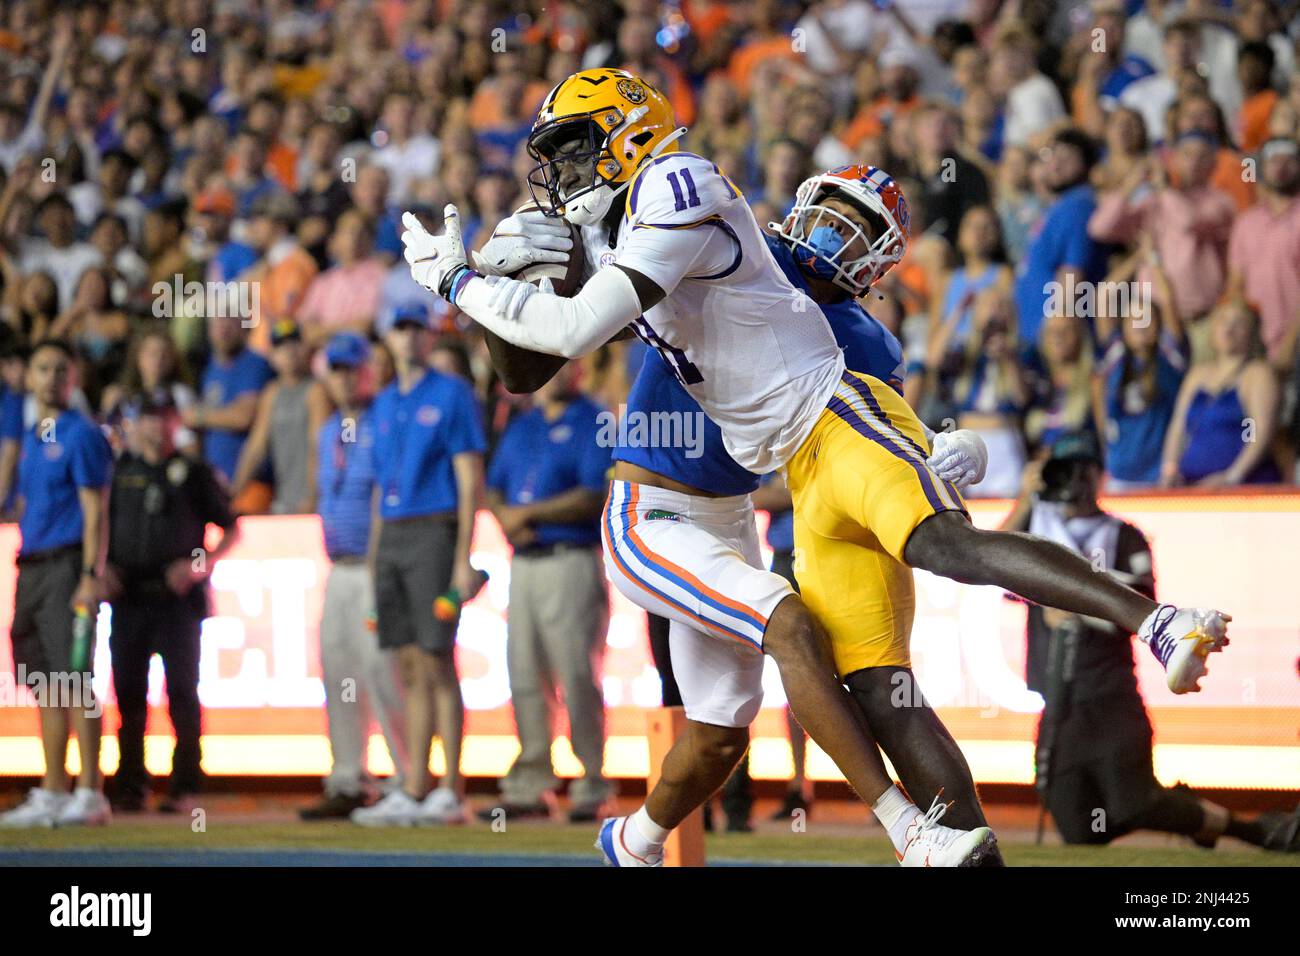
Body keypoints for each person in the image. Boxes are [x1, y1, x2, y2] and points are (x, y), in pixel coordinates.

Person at [404, 69, 1229, 867]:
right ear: (798, 207)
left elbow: (873, 416)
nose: (838, 237)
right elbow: (533, 362)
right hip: (666, 504)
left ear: (885, 263)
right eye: (833, 212)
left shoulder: (821, 302)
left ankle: (639, 840)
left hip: (781, 483)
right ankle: (914, 828)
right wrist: (509, 278)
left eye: (862, 230)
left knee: (793, 709)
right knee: (808, 622)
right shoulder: (671, 232)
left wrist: (464, 279)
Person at [1001, 432, 1297, 853]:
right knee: (1079, 827)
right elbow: (998, 572)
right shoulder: (1037, 531)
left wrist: (1073, 599)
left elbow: (1141, 606)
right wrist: (1025, 500)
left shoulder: (1123, 536)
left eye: (1079, 470)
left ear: (1097, 475)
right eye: (1061, 471)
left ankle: (1247, 829)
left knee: (1133, 803)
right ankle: (1188, 810)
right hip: (1059, 702)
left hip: (1110, 694)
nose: (1071, 482)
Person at [350, 303, 485, 827]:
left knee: (435, 659)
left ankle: (449, 786)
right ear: (388, 338)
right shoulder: (382, 404)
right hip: (394, 535)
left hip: (434, 528)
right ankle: (416, 782)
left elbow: (469, 478)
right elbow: (382, 485)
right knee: (407, 662)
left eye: (416, 329)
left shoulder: (451, 394)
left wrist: (462, 559)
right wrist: (373, 559)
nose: (408, 338)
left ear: (429, 339)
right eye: (399, 328)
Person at [483, 361, 613, 823]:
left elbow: (592, 493)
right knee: (524, 672)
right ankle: (532, 781)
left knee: (577, 672)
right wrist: (507, 518)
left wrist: (526, 514)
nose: (556, 374)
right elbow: (493, 487)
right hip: (526, 562)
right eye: (548, 364)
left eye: (564, 364)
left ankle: (591, 781)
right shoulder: (523, 424)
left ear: (579, 370)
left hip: (570, 557)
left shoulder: (595, 420)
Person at [103, 393, 239, 813]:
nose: (157, 426)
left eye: (164, 418)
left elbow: (231, 527)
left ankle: (185, 784)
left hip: (177, 599)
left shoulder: (193, 472)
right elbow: (98, 523)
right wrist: (101, 568)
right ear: (135, 422)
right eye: (148, 417)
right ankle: (130, 782)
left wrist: (198, 566)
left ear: (175, 422)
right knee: (128, 693)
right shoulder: (118, 470)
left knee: (182, 691)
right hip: (128, 595)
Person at [0, 340, 113, 828]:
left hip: (68, 566)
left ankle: (90, 791)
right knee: (49, 684)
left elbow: (96, 511)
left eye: (59, 370)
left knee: (76, 679)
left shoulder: (81, 435)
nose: (50, 378)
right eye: (42, 368)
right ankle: (52, 788)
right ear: (29, 376)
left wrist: (91, 574)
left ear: (73, 379)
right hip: (33, 564)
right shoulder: (29, 435)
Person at [299, 333, 407, 820]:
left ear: (370, 370)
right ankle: (347, 776)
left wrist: (383, 564)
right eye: (336, 369)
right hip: (339, 567)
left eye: (352, 369)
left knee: (382, 671)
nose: (343, 378)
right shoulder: (328, 430)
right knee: (339, 671)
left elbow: (384, 495)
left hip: (370, 565)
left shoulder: (384, 421)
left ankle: (408, 776)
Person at [1160, 300, 1281, 487]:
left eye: (1238, 323)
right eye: (1223, 320)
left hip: (1242, 488)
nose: (1228, 329)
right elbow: (1178, 427)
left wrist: (1233, 476)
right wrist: (1169, 469)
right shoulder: (1197, 374)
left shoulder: (1258, 374)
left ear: (1251, 331)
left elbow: (1259, 433)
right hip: (1191, 484)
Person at [183, 314, 275, 511]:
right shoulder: (208, 369)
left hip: (250, 484)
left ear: (243, 327)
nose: (224, 329)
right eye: (218, 323)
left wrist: (198, 416)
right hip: (215, 486)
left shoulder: (254, 363)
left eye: (230, 322)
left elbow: (244, 417)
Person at [229, 319, 321, 515]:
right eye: (280, 346)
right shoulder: (272, 394)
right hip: (283, 499)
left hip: (312, 503)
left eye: (295, 342)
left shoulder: (316, 391)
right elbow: (255, 447)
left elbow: (319, 447)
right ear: (272, 355)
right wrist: (234, 492)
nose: (289, 351)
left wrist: (313, 497)